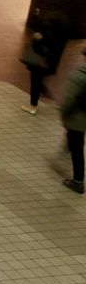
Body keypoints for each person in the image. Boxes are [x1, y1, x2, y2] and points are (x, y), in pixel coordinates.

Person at [20, 12, 69, 115]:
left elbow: (39, 49)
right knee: (40, 81)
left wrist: (37, 39)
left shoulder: (46, 34)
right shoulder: (62, 35)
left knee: (35, 83)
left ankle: (33, 106)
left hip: (40, 64)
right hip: (51, 64)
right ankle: (47, 97)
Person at [60, 49, 86, 194]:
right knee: (76, 143)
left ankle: (78, 181)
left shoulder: (80, 76)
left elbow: (71, 98)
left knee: (77, 148)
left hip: (77, 117)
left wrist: (64, 112)